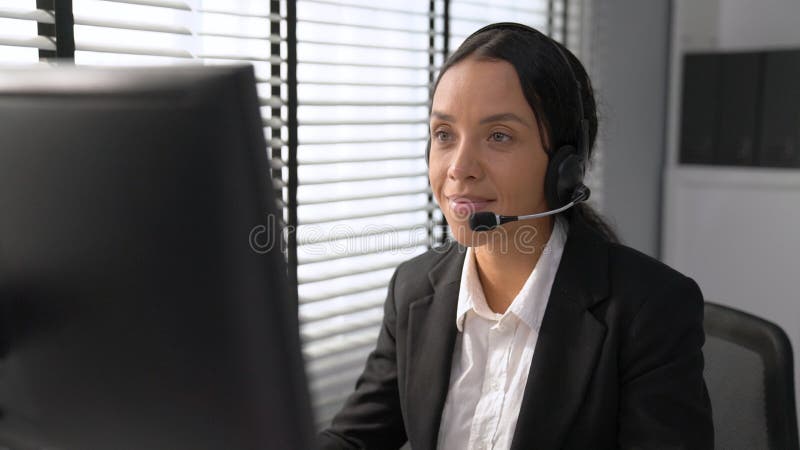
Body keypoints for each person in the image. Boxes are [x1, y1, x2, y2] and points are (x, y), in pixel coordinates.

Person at [318, 22, 713, 450]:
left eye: (499, 136)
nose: (459, 167)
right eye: (444, 135)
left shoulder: (648, 310)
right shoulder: (414, 292)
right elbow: (352, 439)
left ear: (566, 166)